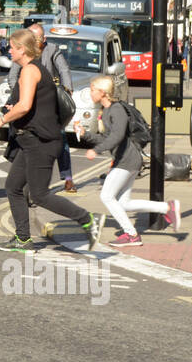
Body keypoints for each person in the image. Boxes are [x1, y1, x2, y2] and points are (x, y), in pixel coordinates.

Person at [0, 29, 98, 254]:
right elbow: (32, 104)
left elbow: (26, 105)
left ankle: (85, 219)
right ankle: (23, 239)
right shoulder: (33, 69)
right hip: (31, 140)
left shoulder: (30, 70)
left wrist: (2, 119)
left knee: (39, 194)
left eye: (12, 47)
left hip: (42, 142)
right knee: (13, 187)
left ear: (22, 49)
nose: (9, 50)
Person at [75, 75, 180, 248]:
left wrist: (96, 150)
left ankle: (132, 235)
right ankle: (167, 209)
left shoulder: (116, 110)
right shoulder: (107, 110)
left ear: (102, 92)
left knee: (106, 196)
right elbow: (107, 137)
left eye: (92, 89)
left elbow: (117, 136)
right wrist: (85, 134)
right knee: (124, 203)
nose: (90, 93)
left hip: (127, 159)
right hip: (125, 160)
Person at [7, 22, 76, 192]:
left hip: (47, 101)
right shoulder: (23, 53)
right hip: (26, 98)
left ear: (43, 39)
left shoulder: (52, 50)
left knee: (60, 137)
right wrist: (17, 94)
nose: (33, 40)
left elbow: (64, 70)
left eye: (36, 37)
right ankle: (20, 174)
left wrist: (67, 90)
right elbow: (12, 76)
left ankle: (67, 177)